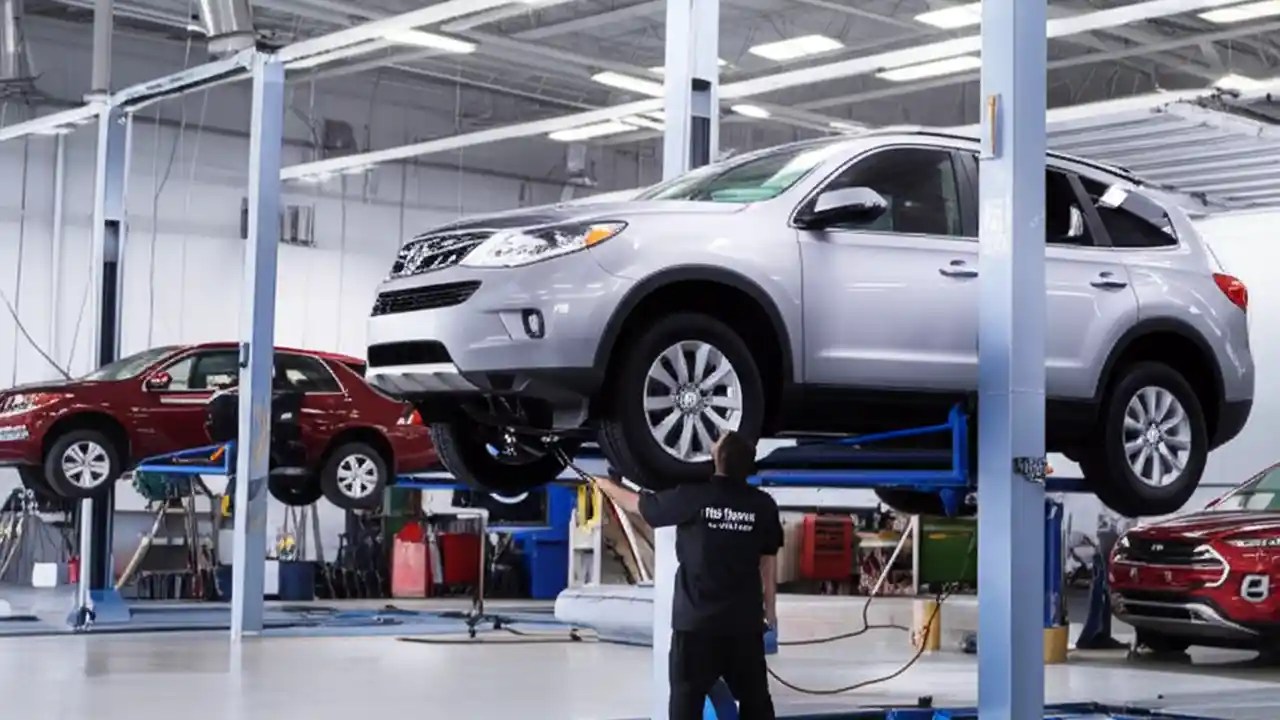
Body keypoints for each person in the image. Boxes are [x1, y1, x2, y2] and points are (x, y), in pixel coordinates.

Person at [594, 431, 782, 720]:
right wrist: (770, 611)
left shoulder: (693, 497)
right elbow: (768, 563)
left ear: (716, 459)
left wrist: (603, 484)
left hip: (696, 627)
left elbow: (639, 505)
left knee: (685, 702)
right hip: (743, 626)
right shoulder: (763, 505)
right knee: (756, 704)